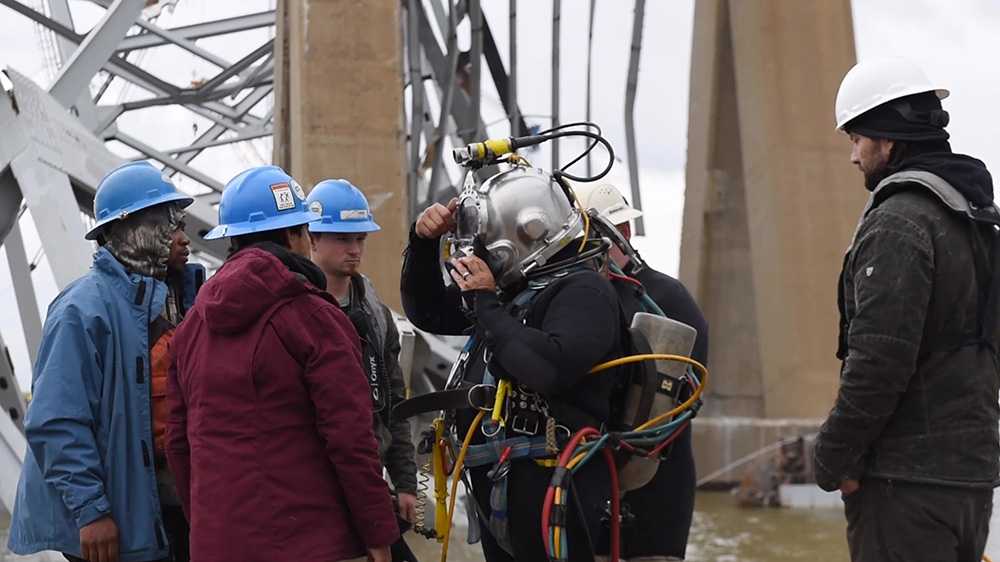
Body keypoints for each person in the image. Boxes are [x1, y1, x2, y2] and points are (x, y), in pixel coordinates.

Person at [814, 58, 1000, 562]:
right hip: (969, 481)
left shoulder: (899, 221)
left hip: (906, 487)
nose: (853, 156)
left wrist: (830, 457)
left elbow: (879, 361)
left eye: (857, 139)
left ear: (888, 141)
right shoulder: (977, 221)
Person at [166, 166, 398, 562]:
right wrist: (378, 533)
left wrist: (209, 527)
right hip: (311, 543)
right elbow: (350, 437)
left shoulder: (190, 328)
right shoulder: (313, 317)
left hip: (217, 544)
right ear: (296, 234)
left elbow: (178, 442)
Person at [401, 166, 628, 562]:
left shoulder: (583, 291)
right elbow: (431, 314)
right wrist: (422, 244)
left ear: (526, 232)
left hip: (559, 488)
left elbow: (547, 369)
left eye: (485, 245)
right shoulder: (514, 293)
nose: (478, 256)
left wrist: (486, 301)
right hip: (507, 486)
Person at [8, 161, 199, 562]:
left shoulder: (185, 300)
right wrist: (92, 511)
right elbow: (57, 421)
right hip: (113, 529)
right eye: (169, 225)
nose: (184, 239)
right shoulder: (81, 311)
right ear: (129, 232)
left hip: (174, 513)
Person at [575, 182, 708, 561]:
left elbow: (686, 393)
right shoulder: (576, 299)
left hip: (655, 489)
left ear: (625, 234)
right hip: (589, 480)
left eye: (595, 237)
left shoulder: (666, 298)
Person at [306, 179, 419, 562]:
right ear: (312, 239)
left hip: (368, 482)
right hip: (315, 490)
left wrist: (404, 482)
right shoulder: (295, 310)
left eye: (360, 239)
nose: (354, 250)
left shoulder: (373, 310)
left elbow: (392, 401)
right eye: (341, 238)